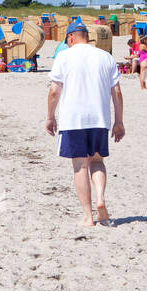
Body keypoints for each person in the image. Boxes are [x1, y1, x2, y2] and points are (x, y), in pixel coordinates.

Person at [46, 23, 125, 227]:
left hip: (73, 120)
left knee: (80, 166)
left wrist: (50, 117)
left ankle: (88, 217)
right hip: (100, 119)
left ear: (70, 37)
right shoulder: (106, 57)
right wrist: (119, 121)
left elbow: (54, 91)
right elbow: (117, 92)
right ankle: (100, 199)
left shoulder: (64, 56)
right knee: (97, 162)